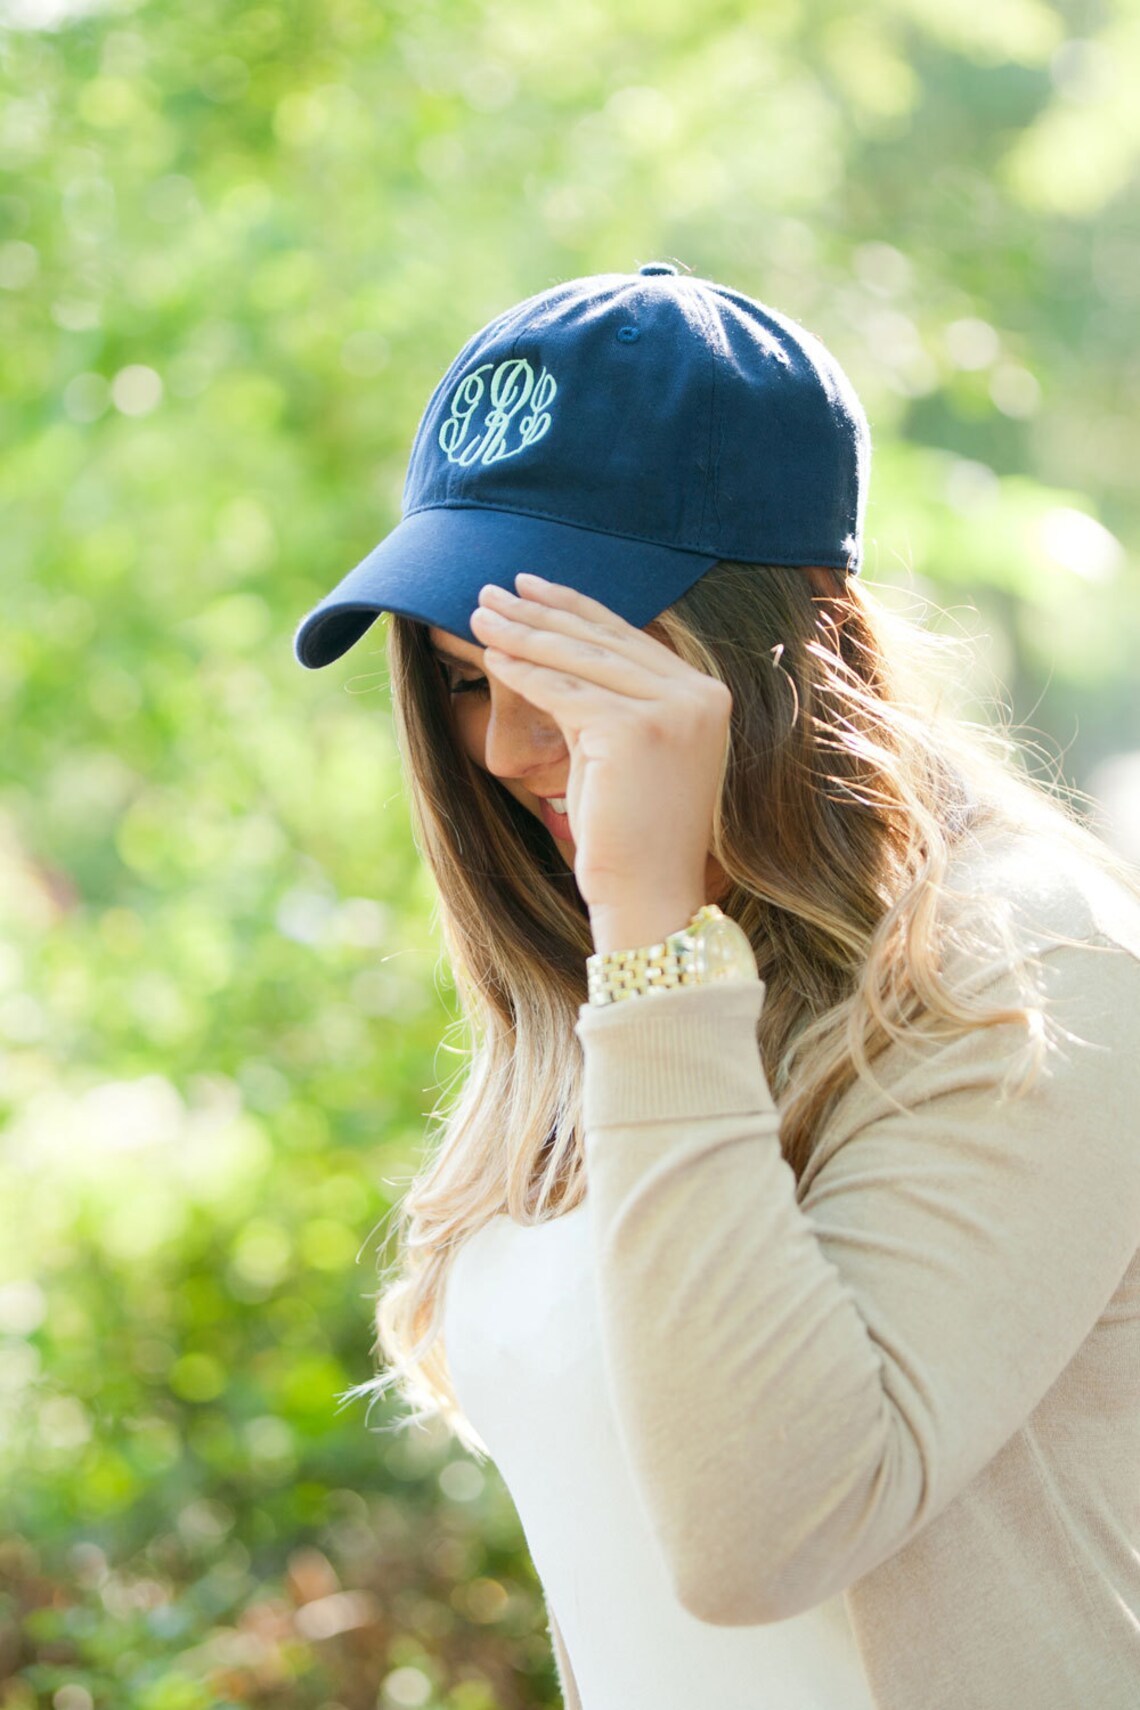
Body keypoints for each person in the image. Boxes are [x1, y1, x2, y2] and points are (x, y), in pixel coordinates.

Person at [292, 264, 1140, 1710]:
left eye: (566, 660)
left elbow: (766, 1535)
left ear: (781, 624)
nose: (499, 751)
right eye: (460, 677)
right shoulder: (608, 983)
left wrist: (651, 939)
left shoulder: (1027, 962)